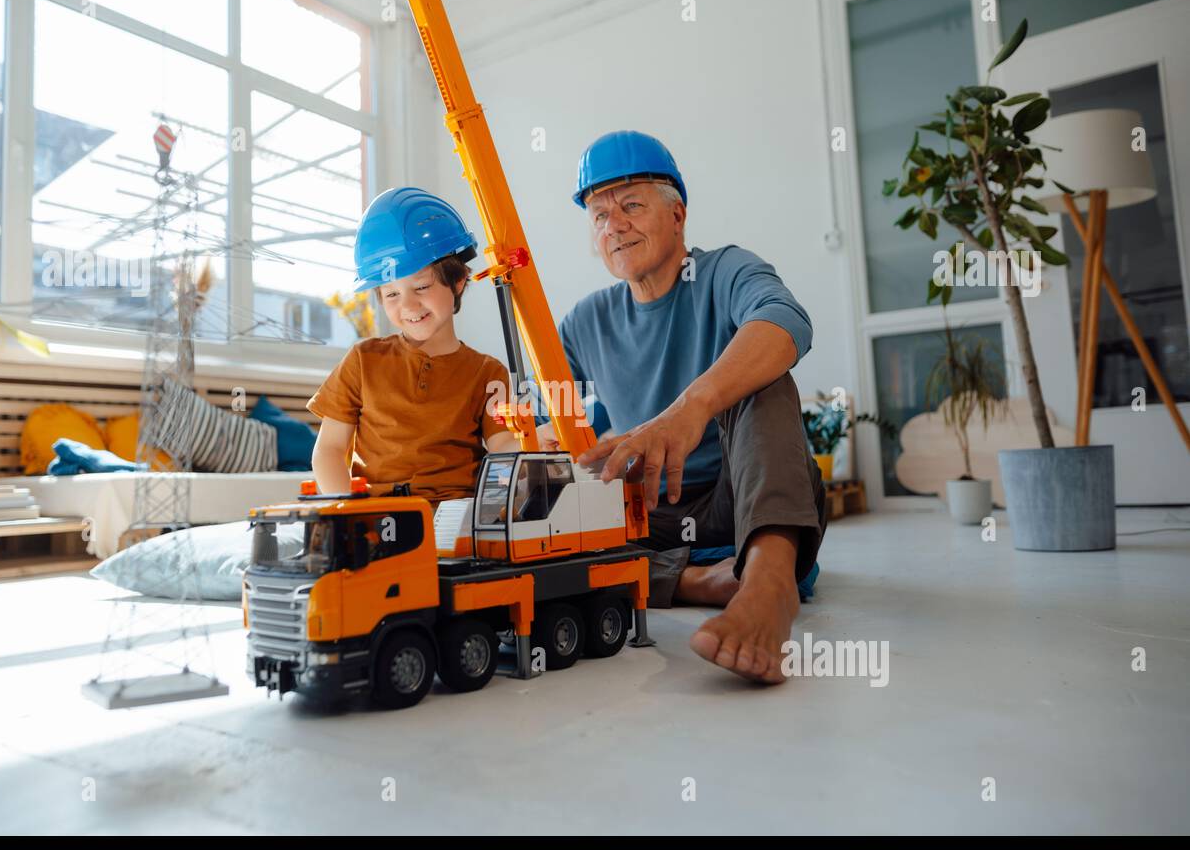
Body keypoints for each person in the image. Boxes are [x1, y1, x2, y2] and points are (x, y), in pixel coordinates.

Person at [540, 130, 827, 684]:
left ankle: (768, 585)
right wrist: (579, 448)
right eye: (598, 216)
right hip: (649, 515)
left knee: (764, 381)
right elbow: (545, 423)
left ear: (677, 215)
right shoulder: (584, 322)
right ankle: (697, 581)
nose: (613, 225)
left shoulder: (724, 270)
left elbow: (788, 323)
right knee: (552, 538)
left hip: (742, 500)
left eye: (630, 206)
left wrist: (690, 407)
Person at [308, 187, 516, 503]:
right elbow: (329, 450)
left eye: (421, 286)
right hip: (376, 515)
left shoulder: (487, 373)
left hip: (455, 518)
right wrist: (347, 512)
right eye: (392, 294)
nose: (408, 305)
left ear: (458, 281)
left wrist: (533, 442)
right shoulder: (363, 360)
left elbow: (502, 447)